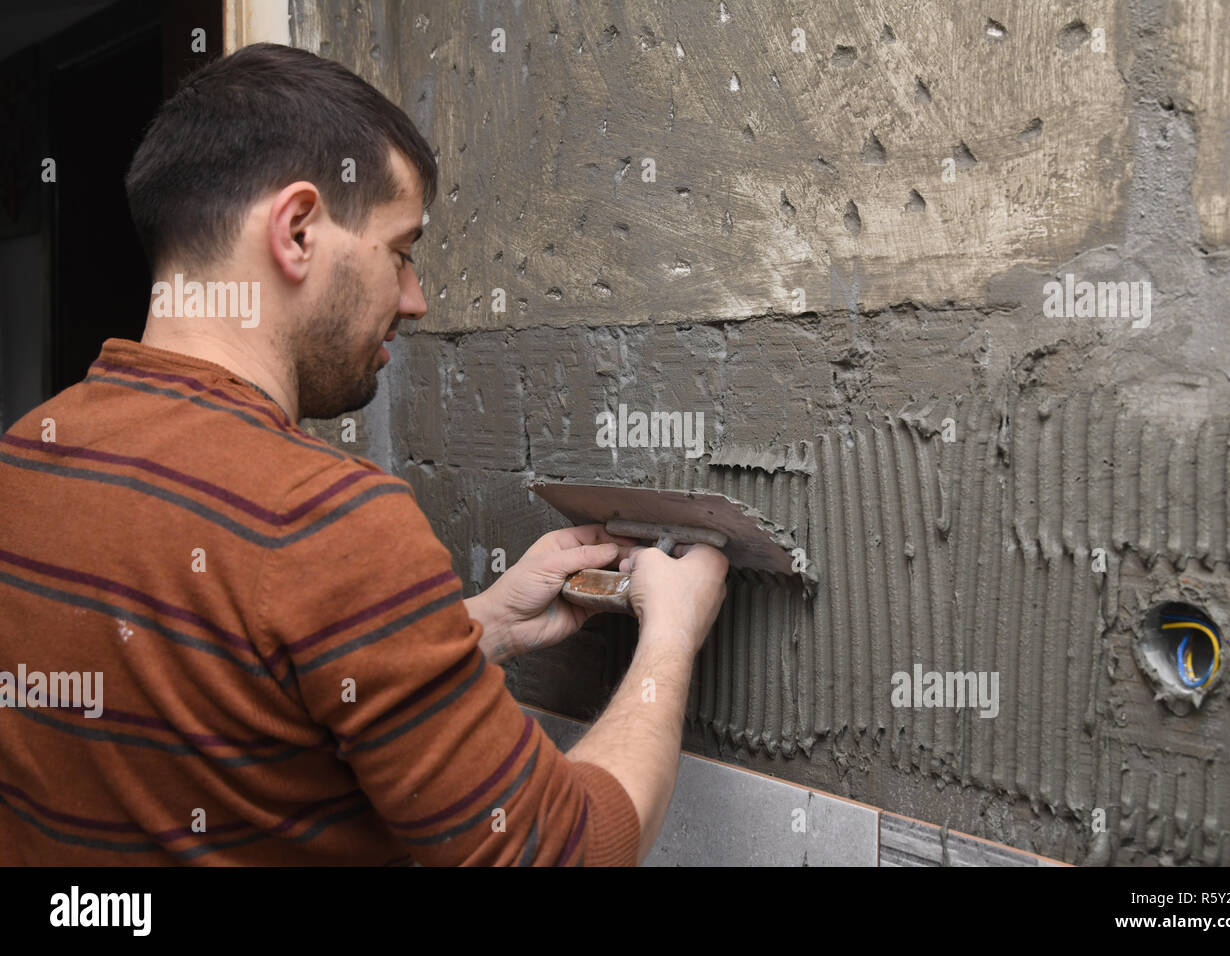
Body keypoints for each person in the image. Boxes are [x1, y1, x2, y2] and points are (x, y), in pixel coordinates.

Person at [0, 42, 729, 865]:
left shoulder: (26, 458)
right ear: (297, 231)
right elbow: (561, 852)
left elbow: (234, 689)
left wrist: (480, 626)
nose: (415, 300)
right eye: (402, 252)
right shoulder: (322, 517)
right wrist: (671, 637)